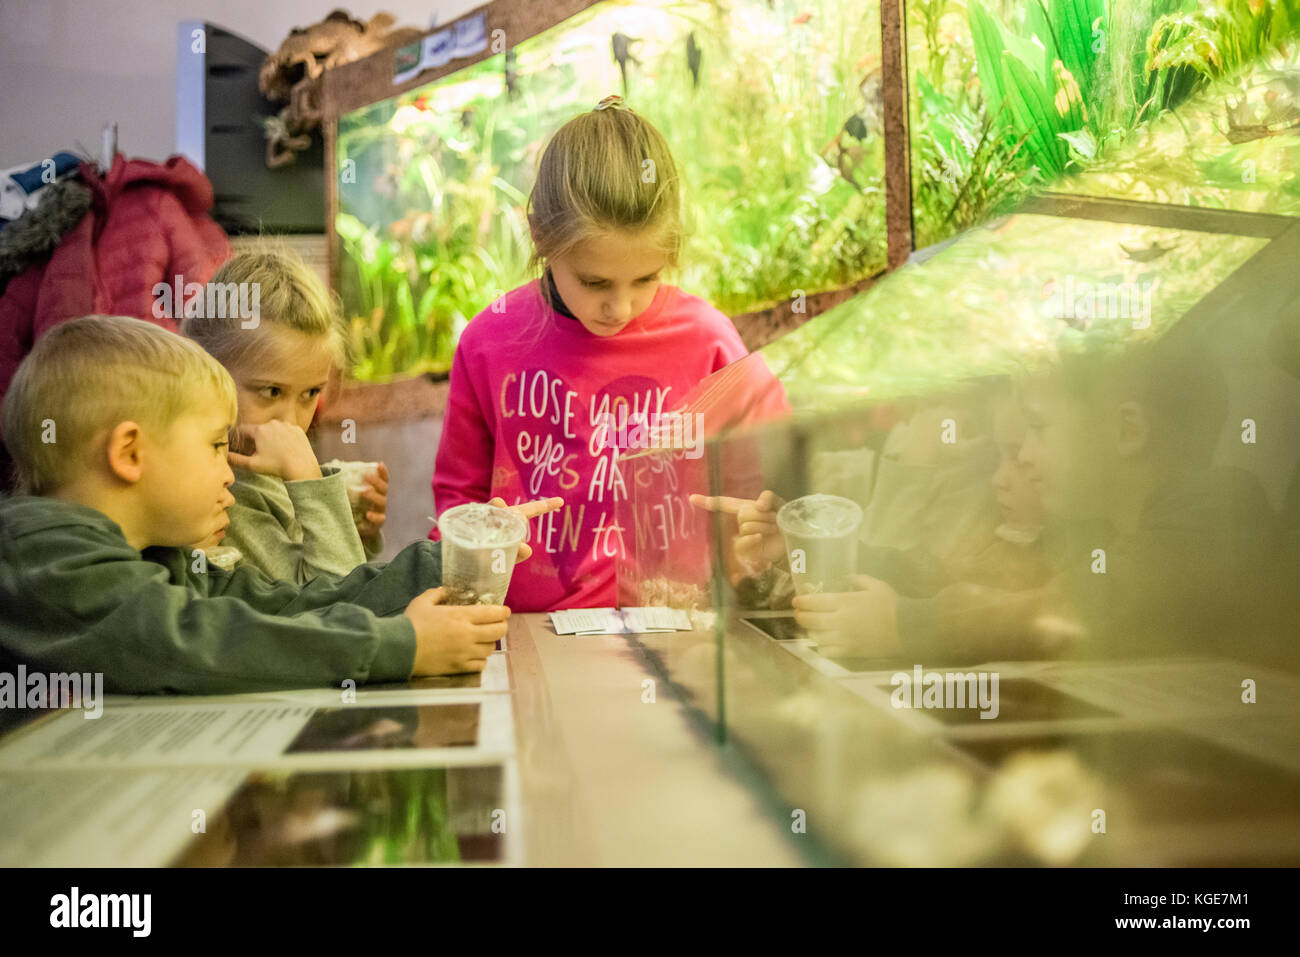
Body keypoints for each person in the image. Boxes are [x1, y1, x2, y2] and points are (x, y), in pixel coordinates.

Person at [0, 315, 555, 694]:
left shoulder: (157, 558)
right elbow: (205, 642)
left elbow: (283, 606)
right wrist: (399, 645)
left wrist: (442, 562)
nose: (228, 470)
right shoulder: (45, 557)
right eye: (217, 445)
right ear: (130, 452)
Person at [431, 96, 785, 611]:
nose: (619, 307)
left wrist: (768, 533)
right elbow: (458, 499)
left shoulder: (708, 340)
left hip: (674, 637)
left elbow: (765, 489)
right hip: (524, 632)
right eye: (595, 281)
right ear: (541, 239)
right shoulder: (489, 340)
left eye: (646, 279)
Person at [182, 250, 386, 583]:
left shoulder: (262, 469)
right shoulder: (228, 498)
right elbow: (336, 609)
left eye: (310, 394)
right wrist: (315, 488)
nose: (291, 422)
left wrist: (353, 529)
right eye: (272, 392)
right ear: (204, 372)